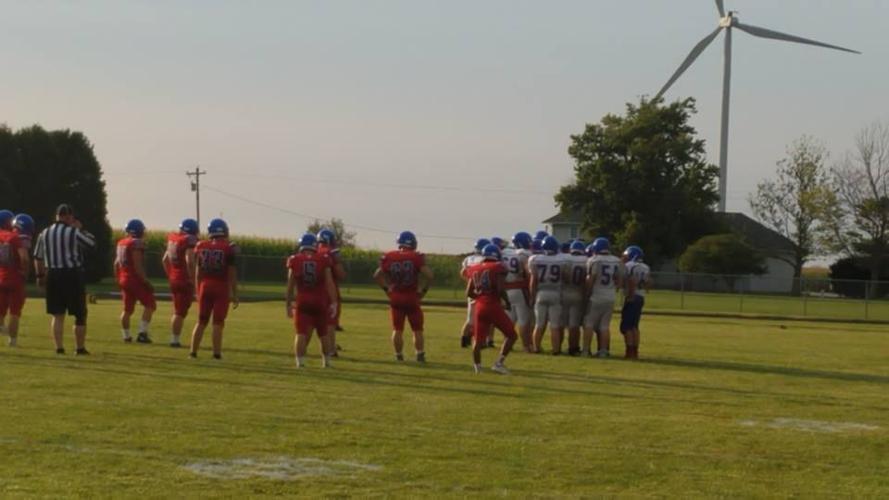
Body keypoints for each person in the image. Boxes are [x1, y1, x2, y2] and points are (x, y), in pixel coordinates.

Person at [33, 204, 96, 355]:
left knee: (57, 314)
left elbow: (38, 257)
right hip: (72, 274)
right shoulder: (73, 232)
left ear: (56, 216)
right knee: (80, 314)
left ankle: (59, 347)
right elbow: (91, 244)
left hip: (53, 274)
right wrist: (81, 229)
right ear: (69, 217)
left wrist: (40, 276)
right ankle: (79, 348)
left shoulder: (44, 233)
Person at [374, 231, 433, 362]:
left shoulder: (389, 256)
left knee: (397, 329)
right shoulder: (416, 257)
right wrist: (423, 291)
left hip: (396, 296)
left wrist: (387, 289)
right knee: (417, 329)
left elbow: (377, 275)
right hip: (412, 296)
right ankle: (420, 354)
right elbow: (429, 275)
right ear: (412, 243)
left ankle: (399, 355)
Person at [189, 218, 239, 359]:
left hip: (205, 285)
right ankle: (216, 354)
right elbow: (231, 274)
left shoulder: (201, 246)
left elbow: (198, 272)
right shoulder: (228, 248)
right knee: (218, 322)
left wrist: (197, 290)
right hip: (221, 287)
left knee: (201, 321)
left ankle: (193, 352)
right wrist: (234, 293)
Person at [286, 233, 338, 368]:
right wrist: (334, 302)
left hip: (302, 299)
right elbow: (329, 282)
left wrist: (288, 303)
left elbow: (290, 285)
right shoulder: (323, 258)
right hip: (320, 300)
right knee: (323, 333)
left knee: (301, 333)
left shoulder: (294, 259)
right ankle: (326, 362)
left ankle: (300, 363)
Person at [465, 243, 518, 374]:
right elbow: (500, 289)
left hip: (480, 306)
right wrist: (506, 301)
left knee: (478, 340)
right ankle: (498, 363)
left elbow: (468, 293)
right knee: (511, 335)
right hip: (493, 305)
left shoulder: (475, 268)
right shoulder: (498, 267)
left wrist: (480, 297)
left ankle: (477, 367)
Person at [114, 219, 156, 344]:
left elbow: (116, 264)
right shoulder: (136, 243)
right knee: (150, 304)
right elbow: (137, 265)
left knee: (127, 310)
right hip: (134, 279)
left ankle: (126, 336)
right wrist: (145, 280)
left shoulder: (121, 243)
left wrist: (118, 279)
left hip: (124, 278)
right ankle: (142, 333)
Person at [583, 237, 623, 358]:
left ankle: (585, 350)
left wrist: (587, 294)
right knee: (604, 326)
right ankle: (603, 351)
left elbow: (591, 279)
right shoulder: (616, 261)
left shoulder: (593, 260)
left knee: (589, 324)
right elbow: (619, 281)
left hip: (596, 295)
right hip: (610, 296)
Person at [162, 218, 199, 347]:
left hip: (174, 278)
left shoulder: (174, 239)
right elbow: (189, 260)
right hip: (184, 279)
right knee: (180, 312)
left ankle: (174, 338)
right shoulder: (188, 241)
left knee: (178, 310)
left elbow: (165, 260)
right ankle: (174, 340)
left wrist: (170, 275)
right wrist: (193, 279)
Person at [0, 212, 33, 347]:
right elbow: (24, 258)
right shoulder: (15, 237)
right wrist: (25, 272)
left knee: (1, 309)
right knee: (15, 311)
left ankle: (3, 328)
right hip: (15, 277)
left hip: (1, 276)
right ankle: (12, 341)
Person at [528, 236, 565, 354]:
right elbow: (566, 277)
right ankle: (556, 349)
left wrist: (532, 296)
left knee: (539, 324)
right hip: (555, 293)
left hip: (541, 293)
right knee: (554, 325)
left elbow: (533, 280)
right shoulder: (562, 260)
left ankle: (536, 348)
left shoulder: (535, 259)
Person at [317, 228, 347, 354]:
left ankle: (330, 346)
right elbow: (340, 274)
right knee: (330, 321)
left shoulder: (313, 251)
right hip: (329, 290)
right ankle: (330, 349)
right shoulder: (332, 252)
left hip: (313, 290)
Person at [502, 231, 534, 351]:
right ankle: (526, 346)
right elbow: (528, 274)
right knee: (523, 320)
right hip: (519, 289)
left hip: (506, 290)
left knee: (510, 320)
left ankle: (508, 344)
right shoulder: (526, 254)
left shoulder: (504, 252)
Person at [620, 245, 650, 360]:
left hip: (633, 296)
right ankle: (635, 352)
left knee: (626, 326)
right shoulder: (645, 267)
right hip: (641, 296)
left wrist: (630, 295)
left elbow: (631, 281)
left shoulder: (629, 266)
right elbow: (648, 282)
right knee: (634, 326)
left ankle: (629, 352)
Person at [458, 238, 489, 348]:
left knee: (470, 318)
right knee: (482, 318)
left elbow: (462, 273)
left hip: (472, 289)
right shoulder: (484, 259)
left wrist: (469, 282)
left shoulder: (468, 259)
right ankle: (480, 341)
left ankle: (464, 339)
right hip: (482, 290)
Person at [562, 240, 588, 356]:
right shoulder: (586, 260)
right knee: (574, 325)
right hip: (578, 293)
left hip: (564, 293)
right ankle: (573, 348)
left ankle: (557, 347)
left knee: (561, 324)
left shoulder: (564, 259)